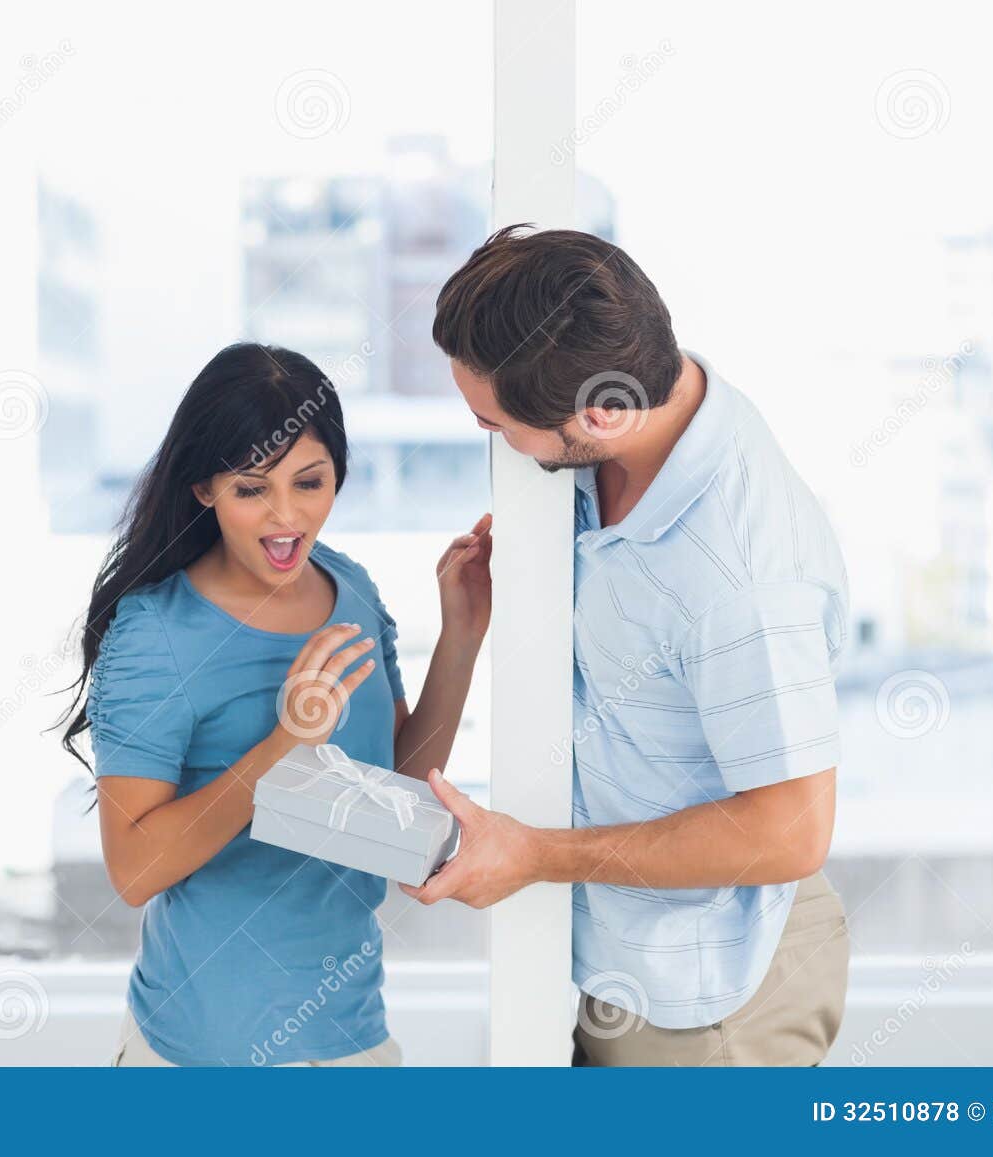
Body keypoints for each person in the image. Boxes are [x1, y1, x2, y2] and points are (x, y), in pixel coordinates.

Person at [403, 225, 851, 1066]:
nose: (490, 439)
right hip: (612, 957)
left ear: (600, 416)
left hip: (710, 992)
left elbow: (791, 830)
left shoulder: (741, 577)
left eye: (496, 423)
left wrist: (534, 854)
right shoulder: (636, 412)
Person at [58, 342, 491, 1066]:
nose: (287, 515)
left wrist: (461, 635)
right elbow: (133, 870)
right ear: (205, 489)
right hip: (201, 1051)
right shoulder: (157, 630)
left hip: (352, 1035)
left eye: (310, 481)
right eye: (252, 488)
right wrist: (280, 748)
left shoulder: (348, 585)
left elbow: (400, 797)